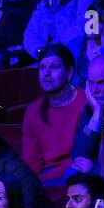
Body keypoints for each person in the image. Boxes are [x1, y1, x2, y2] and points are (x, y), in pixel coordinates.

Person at [21, 45, 86, 181]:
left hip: (76, 174)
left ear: (69, 72)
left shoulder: (85, 103)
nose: (46, 73)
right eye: (42, 67)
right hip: (45, 177)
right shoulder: (33, 110)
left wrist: (44, 181)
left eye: (54, 67)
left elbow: (81, 157)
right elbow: (31, 161)